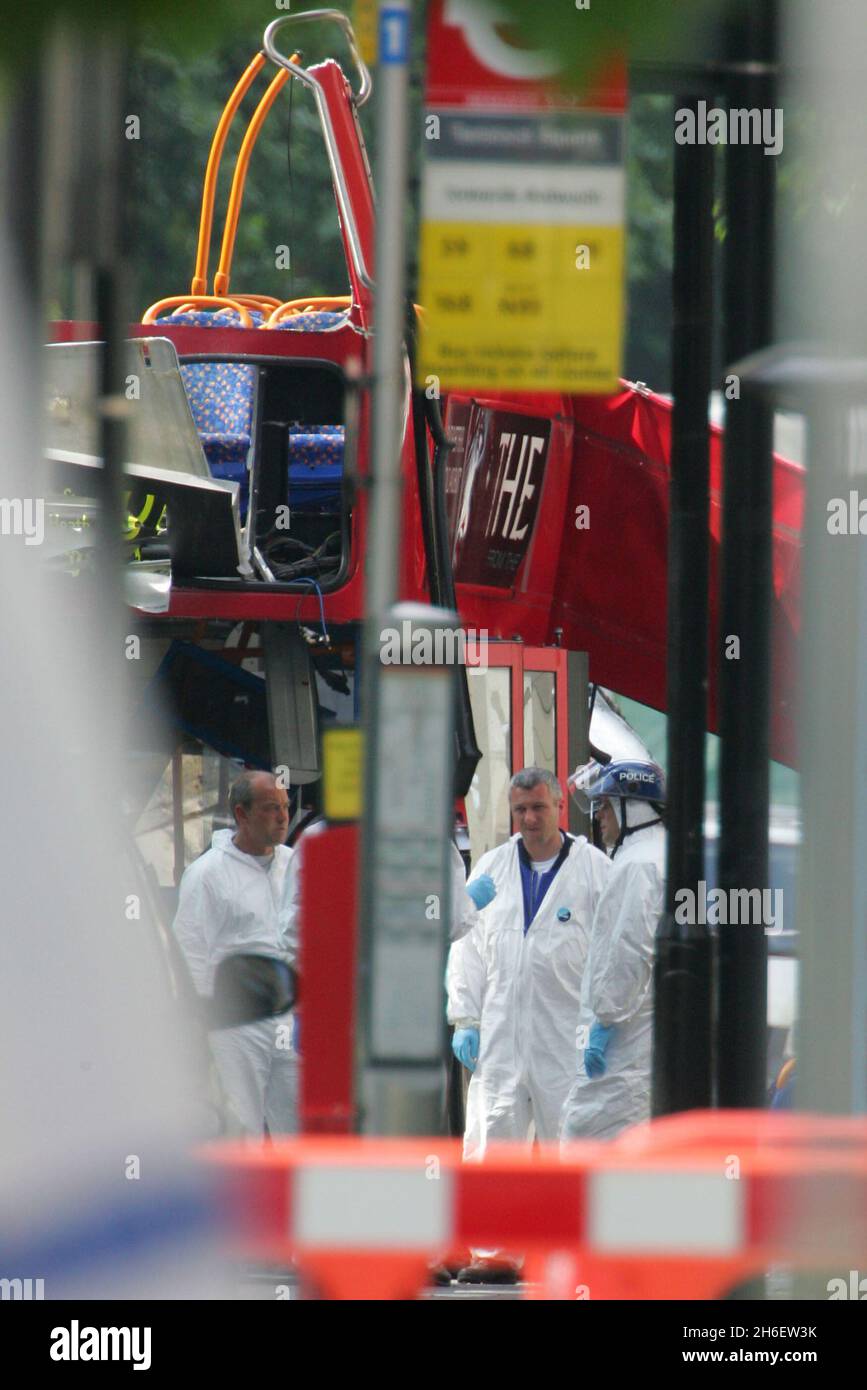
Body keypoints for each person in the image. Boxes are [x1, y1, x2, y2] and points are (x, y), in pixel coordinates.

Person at [446, 767, 611, 1157]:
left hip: (566, 1038)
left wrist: (604, 1023)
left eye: (539, 807)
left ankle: (569, 1220)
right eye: (520, 810)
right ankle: (492, 1221)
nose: (530, 819)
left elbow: (612, 954)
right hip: (500, 1039)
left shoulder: (594, 870)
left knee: (572, 1150)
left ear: (559, 805)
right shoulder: (492, 868)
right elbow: (466, 947)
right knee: (492, 1151)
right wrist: (465, 1019)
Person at [172, 769, 298, 1138]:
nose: (282, 817)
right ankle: (248, 1197)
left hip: (291, 1020)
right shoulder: (207, 875)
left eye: (285, 807)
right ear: (242, 814)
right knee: (243, 1130)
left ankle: (298, 1195)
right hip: (236, 1025)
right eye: (271, 808)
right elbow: (190, 953)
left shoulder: (295, 865)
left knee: (302, 1128)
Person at [560, 758, 666, 1142]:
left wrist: (604, 1019)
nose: (599, 815)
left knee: (590, 1141)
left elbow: (627, 949)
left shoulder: (637, 865)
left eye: (605, 804)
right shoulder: (656, 855)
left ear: (631, 805)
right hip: (641, 1033)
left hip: (624, 1040)